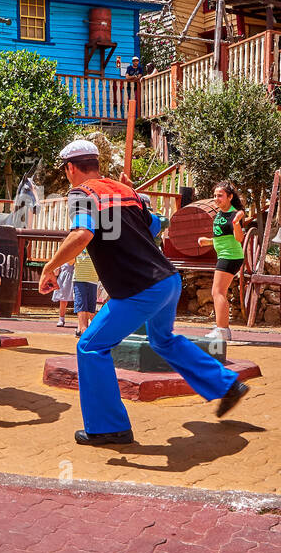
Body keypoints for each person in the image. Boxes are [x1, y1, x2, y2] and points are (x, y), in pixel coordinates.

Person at [38, 140, 248, 446]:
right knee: (163, 340)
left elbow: (82, 233)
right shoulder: (127, 192)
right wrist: (134, 200)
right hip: (167, 282)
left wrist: (50, 266)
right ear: (97, 164)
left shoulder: (81, 193)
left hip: (140, 289)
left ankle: (108, 428)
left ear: (71, 168)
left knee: (90, 347)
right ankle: (225, 385)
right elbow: (154, 228)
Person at [197, 181, 246, 342]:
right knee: (218, 292)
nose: (216, 198)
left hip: (230, 256)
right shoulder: (220, 214)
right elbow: (223, 238)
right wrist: (208, 241)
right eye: (215, 195)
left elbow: (238, 239)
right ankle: (223, 329)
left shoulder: (233, 215)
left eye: (220, 195)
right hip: (225, 254)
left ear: (230, 197)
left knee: (217, 292)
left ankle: (222, 331)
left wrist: (236, 223)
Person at [72, 249, 99, 338]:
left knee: (90, 308)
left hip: (93, 280)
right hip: (79, 279)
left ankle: (82, 329)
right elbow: (70, 261)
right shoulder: (77, 245)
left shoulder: (96, 245)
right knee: (81, 305)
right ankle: (83, 330)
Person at [53, 260, 75, 327]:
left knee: (79, 300)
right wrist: (56, 268)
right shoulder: (63, 256)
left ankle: (83, 321)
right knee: (63, 300)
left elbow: (71, 262)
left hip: (76, 277)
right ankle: (61, 319)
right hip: (64, 279)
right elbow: (56, 273)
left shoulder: (77, 254)